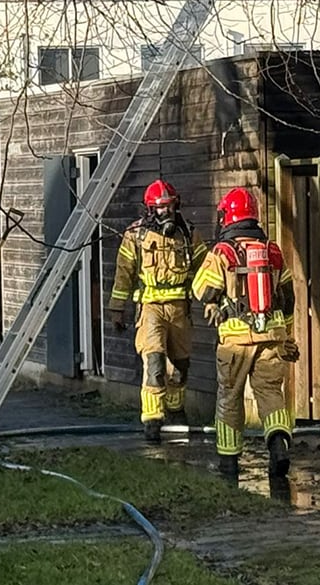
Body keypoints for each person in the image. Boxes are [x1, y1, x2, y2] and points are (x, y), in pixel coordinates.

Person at [191, 187, 299, 479]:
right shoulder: (272, 251)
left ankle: (229, 462)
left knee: (229, 396)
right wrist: (286, 335)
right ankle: (278, 445)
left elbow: (201, 289)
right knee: (271, 394)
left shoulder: (223, 252)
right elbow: (288, 298)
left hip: (235, 341)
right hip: (271, 338)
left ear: (227, 217)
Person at [108, 179, 208, 442]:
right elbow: (123, 274)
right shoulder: (135, 235)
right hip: (150, 310)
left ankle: (175, 411)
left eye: (170, 206)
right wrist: (117, 309)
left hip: (180, 311)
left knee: (179, 366)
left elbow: (206, 271)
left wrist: (213, 301)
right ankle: (152, 419)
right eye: (160, 208)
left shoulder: (189, 234)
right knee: (154, 363)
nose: (167, 213)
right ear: (150, 209)